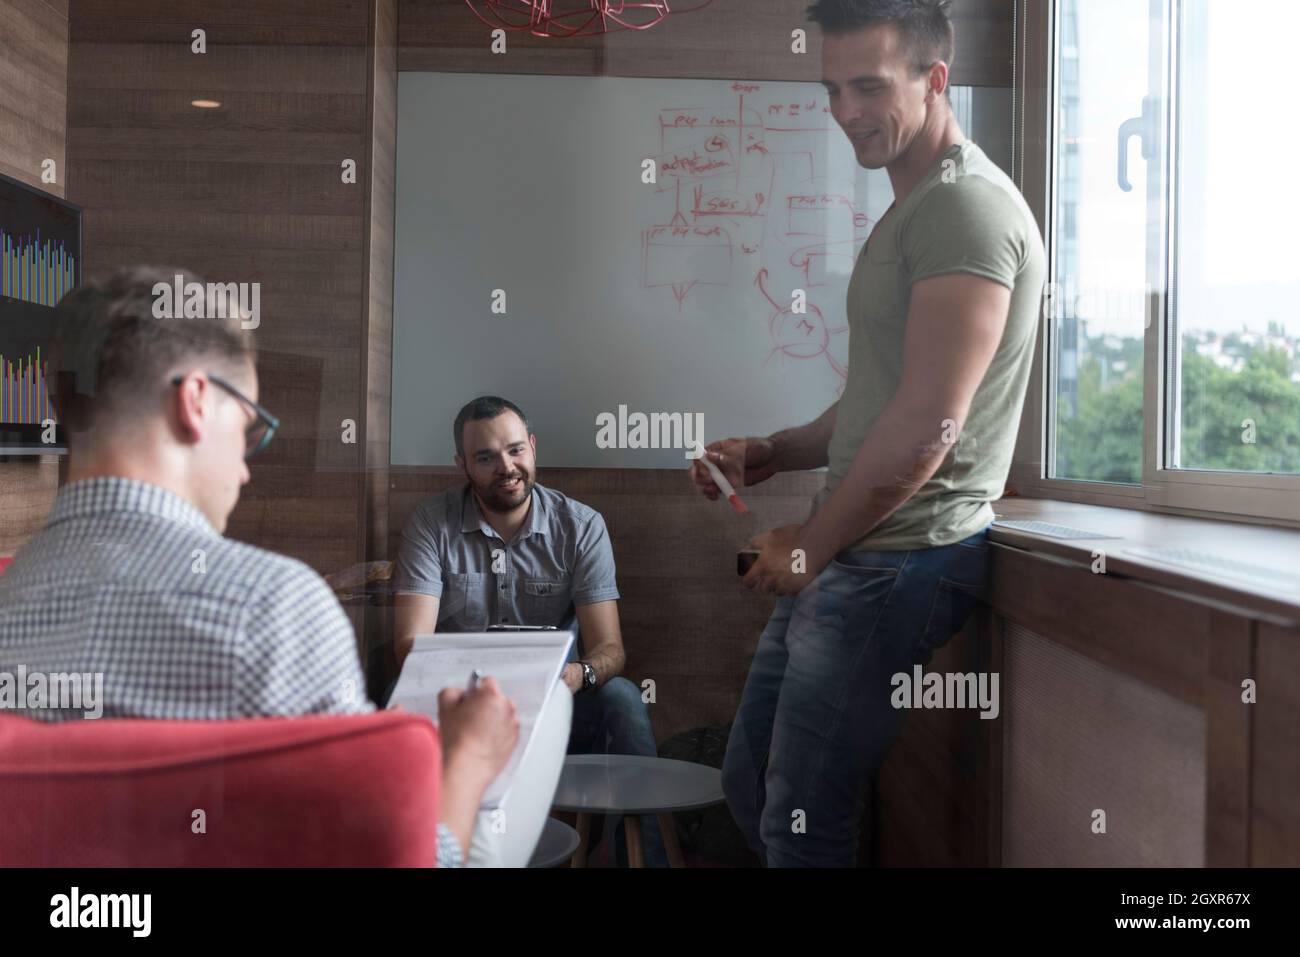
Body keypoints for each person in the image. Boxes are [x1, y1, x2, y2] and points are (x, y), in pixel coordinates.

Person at [0, 267, 519, 867]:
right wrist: (471, 762)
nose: (245, 469)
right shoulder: (276, 607)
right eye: (248, 426)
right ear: (194, 401)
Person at [691, 0, 1046, 866]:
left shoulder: (965, 209)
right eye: (831, 88)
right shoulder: (912, 210)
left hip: (898, 559)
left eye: (867, 86)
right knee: (751, 786)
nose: (845, 111)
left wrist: (808, 548)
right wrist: (775, 452)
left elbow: (930, 425)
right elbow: (881, 403)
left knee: (802, 823)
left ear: (935, 80)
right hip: (854, 553)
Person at [393, 395, 667, 867]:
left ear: (533, 448)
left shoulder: (581, 528)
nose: (507, 466)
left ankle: (643, 861)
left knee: (623, 699)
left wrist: (579, 675)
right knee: (389, 704)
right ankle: (415, 854)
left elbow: (610, 648)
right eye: (486, 457)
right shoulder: (430, 524)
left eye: (515, 450)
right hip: (462, 707)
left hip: (559, 703)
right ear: (462, 465)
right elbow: (408, 647)